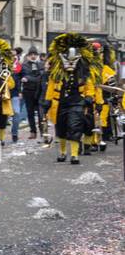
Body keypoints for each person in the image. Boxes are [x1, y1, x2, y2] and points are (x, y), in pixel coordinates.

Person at [45, 33, 95, 166]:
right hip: (60, 102)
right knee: (61, 128)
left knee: (75, 127)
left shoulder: (84, 71)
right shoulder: (56, 72)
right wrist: (47, 101)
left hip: (77, 102)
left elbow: (89, 86)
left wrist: (89, 96)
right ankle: (62, 152)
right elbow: (51, 87)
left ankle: (74, 154)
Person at [20, 48, 46, 141]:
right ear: (28, 56)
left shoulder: (41, 65)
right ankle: (33, 131)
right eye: (31, 54)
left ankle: (43, 131)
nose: (33, 56)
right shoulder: (23, 66)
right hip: (28, 92)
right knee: (30, 113)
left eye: (35, 54)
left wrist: (28, 78)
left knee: (41, 113)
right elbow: (20, 77)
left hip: (39, 91)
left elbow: (41, 77)